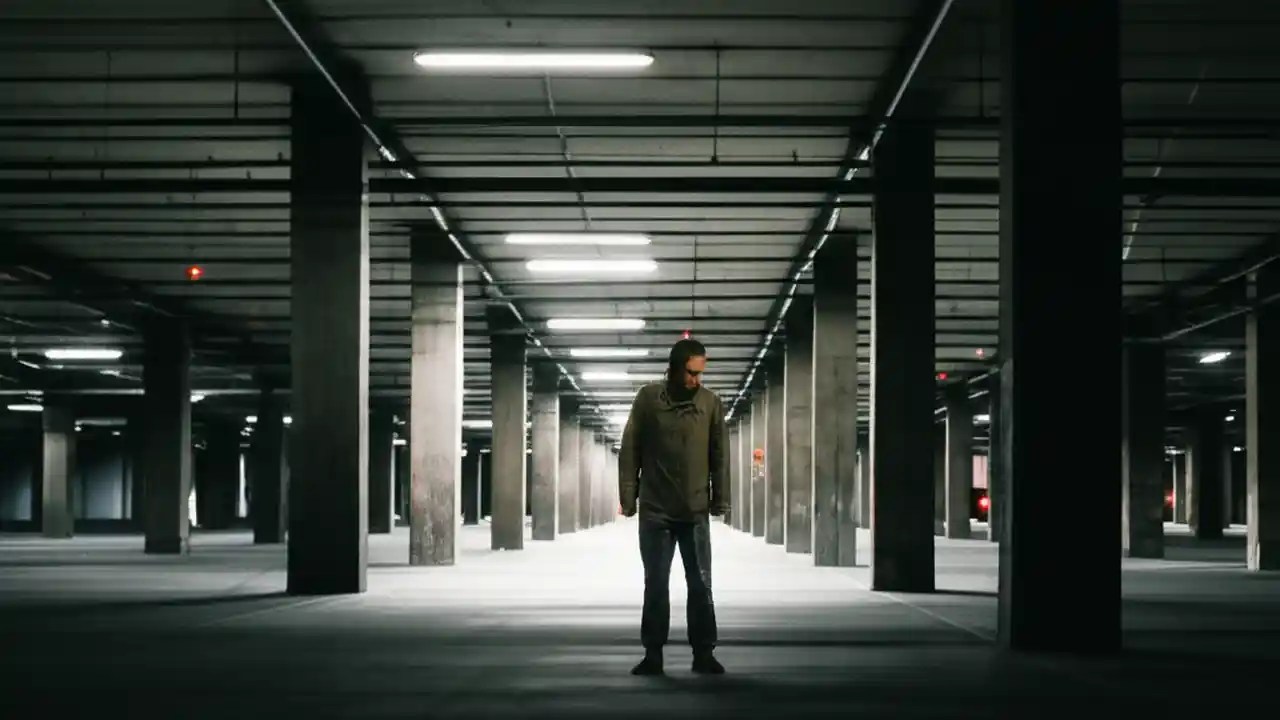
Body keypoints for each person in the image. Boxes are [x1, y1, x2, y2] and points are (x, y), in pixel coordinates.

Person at [618, 338, 730, 676]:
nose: (697, 380)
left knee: (701, 584)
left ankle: (704, 653)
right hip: (656, 512)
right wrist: (629, 497)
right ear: (674, 367)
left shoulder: (710, 403)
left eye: (700, 374)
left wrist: (720, 498)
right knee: (655, 583)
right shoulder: (648, 400)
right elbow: (630, 449)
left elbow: (719, 455)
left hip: (694, 510)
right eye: (691, 373)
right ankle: (653, 654)